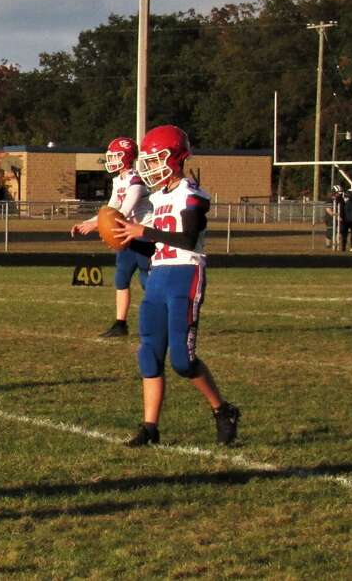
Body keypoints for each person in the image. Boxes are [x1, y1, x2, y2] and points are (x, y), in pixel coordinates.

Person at [112, 125, 240, 447]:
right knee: (149, 354)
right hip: (158, 275)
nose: (151, 167)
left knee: (182, 361)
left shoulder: (192, 194)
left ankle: (222, 409)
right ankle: (150, 428)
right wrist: (123, 238)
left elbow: (187, 238)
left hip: (186, 274)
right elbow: (156, 244)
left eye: (156, 160)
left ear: (176, 158)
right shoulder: (157, 198)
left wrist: (143, 232)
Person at [71, 136, 155, 337]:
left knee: (147, 281)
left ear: (126, 157)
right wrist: (87, 222)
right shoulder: (120, 181)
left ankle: (159, 320)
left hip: (143, 235)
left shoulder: (136, 182)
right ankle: (120, 324)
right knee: (121, 278)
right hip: (126, 234)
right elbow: (110, 209)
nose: (111, 160)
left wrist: (95, 225)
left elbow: (122, 212)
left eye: (116, 156)